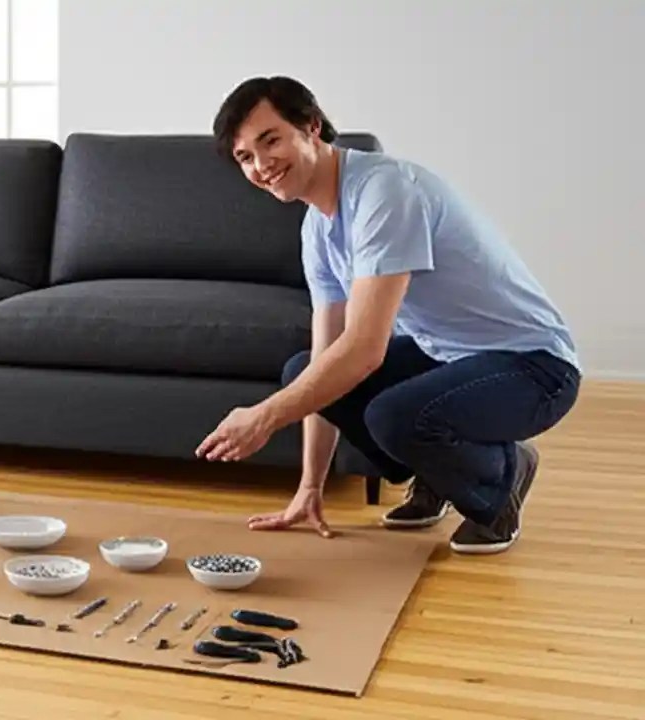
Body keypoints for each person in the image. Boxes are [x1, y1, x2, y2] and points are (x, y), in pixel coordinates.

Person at [193, 76, 581, 554]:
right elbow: (326, 355)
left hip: (535, 367)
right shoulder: (317, 227)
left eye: (270, 140)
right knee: (303, 371)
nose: (261, 164)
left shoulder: (385, 192)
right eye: (244, 157)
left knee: (392, 414)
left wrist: (264, 417)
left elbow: (363, 350)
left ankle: (502, 479)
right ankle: (442, 479)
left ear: (311, 126)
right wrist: (310, 487)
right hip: (450, 358)